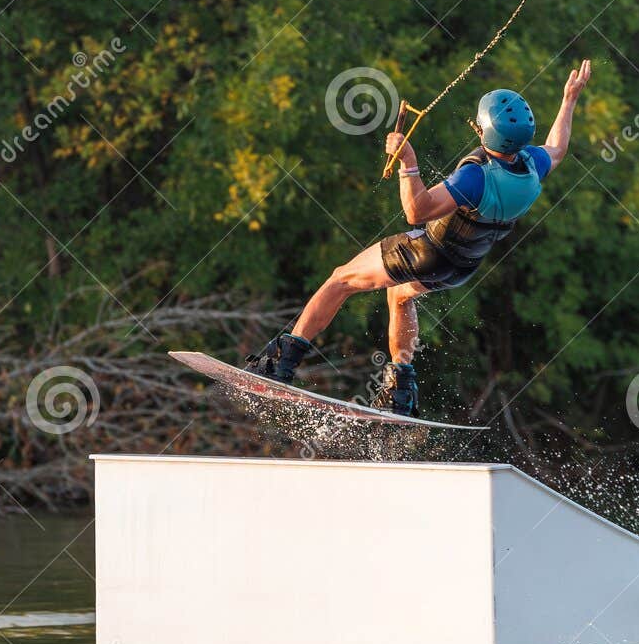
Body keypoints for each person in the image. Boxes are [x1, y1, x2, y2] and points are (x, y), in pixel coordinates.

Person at [247, 60, 591, 416]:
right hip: (462, 267)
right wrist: (569, 99)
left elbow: (418, 211)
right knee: (399, 296)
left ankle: (280, 364)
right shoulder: (533, 167)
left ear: (484, 132)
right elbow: (558, 147)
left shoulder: (475, 178)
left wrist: (407, 162)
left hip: (427, 252)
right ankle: (401, 388)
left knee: (340, 279)